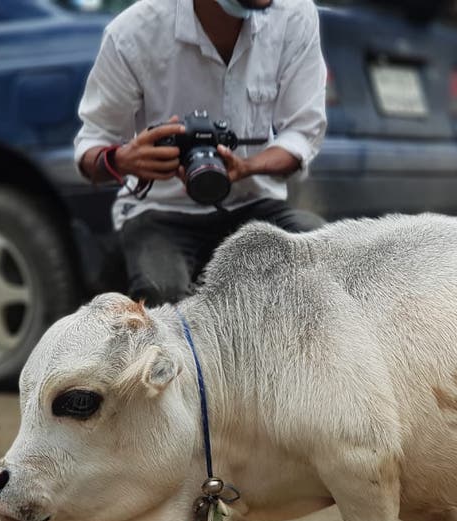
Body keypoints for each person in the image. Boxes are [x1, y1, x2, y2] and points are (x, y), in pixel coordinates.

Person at [74, 0, 327, 305]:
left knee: (326, 257)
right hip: (160, 211)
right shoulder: (132, 33)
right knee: (162, 295)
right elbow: (91, 145)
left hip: (254, 202)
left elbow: (302, 131)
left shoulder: (294, 14)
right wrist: (122, 160)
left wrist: (247, 167)